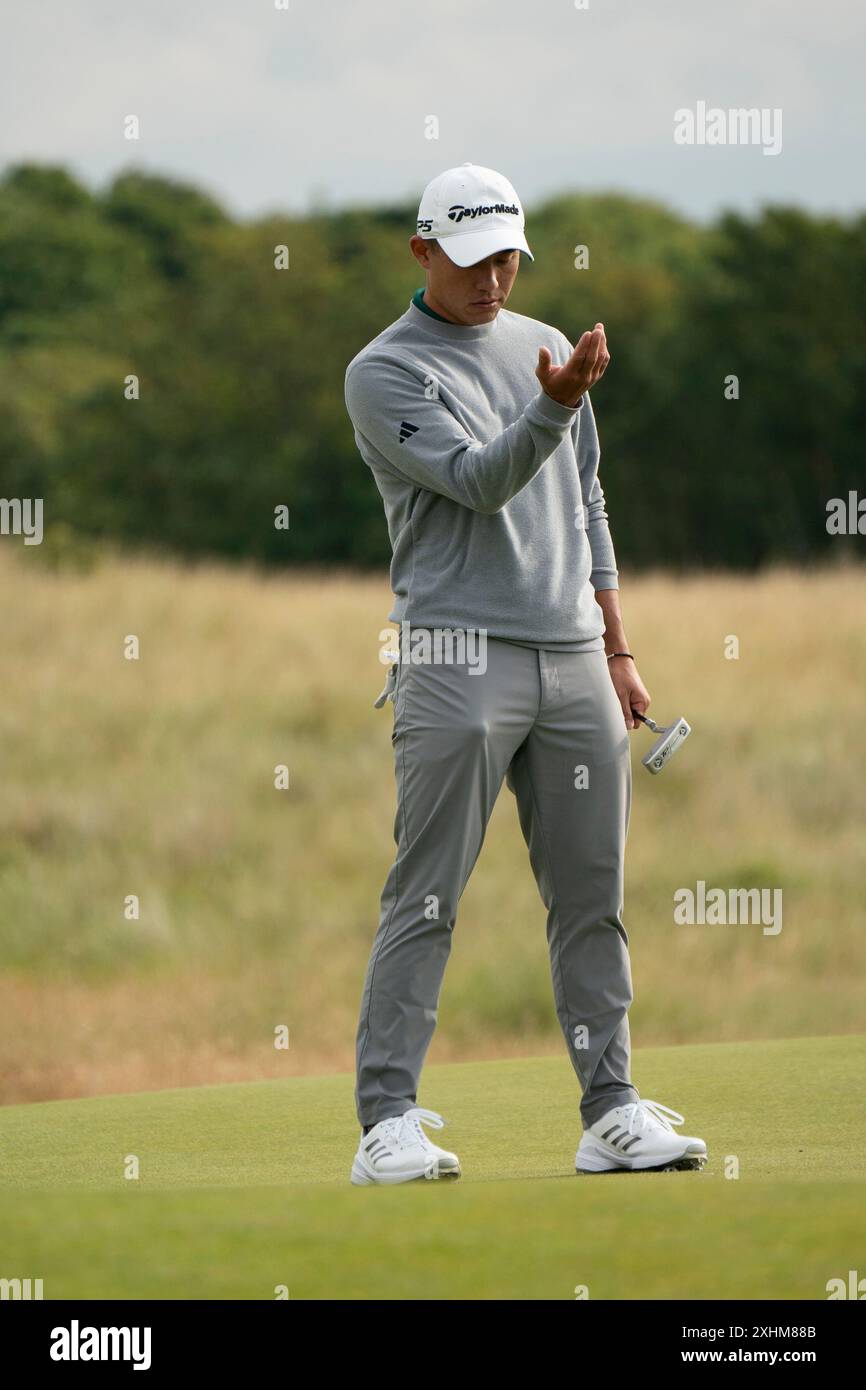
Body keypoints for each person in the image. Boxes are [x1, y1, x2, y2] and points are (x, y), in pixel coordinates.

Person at [343, 163, 707, 1184]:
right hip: (454, 657)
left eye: (507, 256)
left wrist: (617, 645)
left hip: (571, 661)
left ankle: (610, 1112)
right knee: (425, 897)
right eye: (469, 261)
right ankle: (387, 1124)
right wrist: (555, 405)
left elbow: (585, 502)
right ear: (422, 253)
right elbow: (475, 481)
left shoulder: (545, 348)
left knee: (591, 897)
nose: (493, 279)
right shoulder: (383, 372)